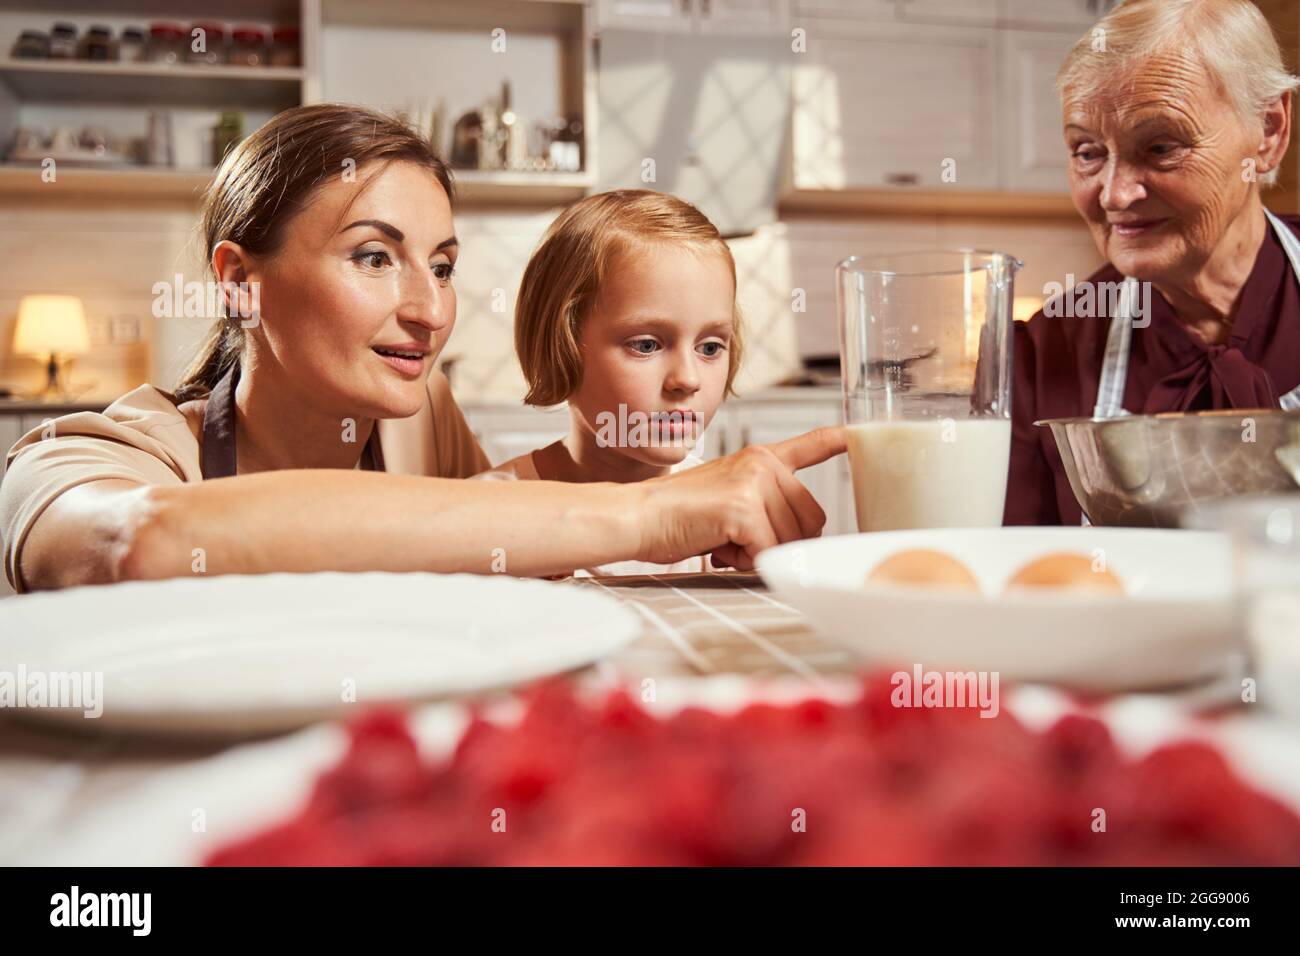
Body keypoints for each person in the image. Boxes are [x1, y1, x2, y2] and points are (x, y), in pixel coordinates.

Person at [0, 104, 843, 593]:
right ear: (238, 281)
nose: (430, 310)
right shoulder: (101, 452)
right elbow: (135, 544)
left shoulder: (417, 419)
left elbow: (501, 542)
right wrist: (654, 514)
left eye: (440, 267)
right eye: (374, 256)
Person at [1006, 0, 1300, 525]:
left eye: (1161, 146)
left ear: (1270, 131)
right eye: (1088, 152)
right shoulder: (1040, 355)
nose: (1115, 195)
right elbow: (1013, 579)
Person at [485, 189, 741, 575]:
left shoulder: (722, 511)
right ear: (563, 342)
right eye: (647, 345)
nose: (687, 379)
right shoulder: (492, 511)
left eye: (709, 347)